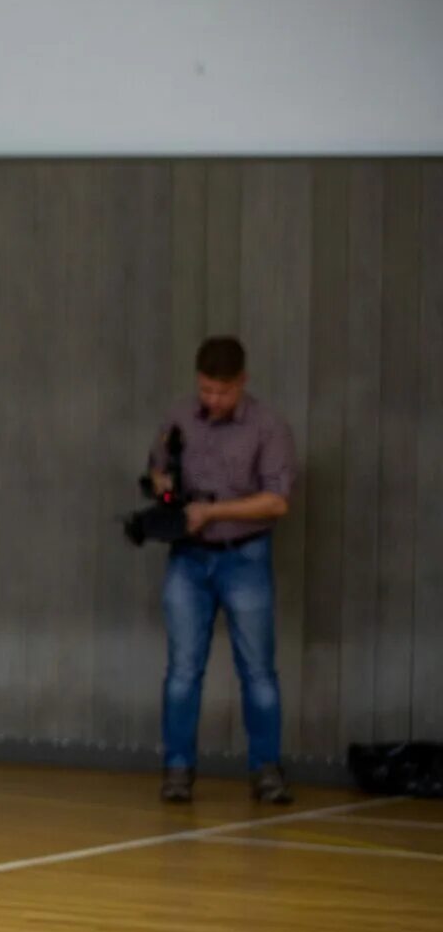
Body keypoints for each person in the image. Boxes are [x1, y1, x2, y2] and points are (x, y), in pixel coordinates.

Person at [150, 336, 296, 804]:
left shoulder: (268, 427)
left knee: (257, 671)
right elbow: (157, 469)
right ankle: (177, 770)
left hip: (245, 556)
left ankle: (266, 769)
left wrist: (212, 512)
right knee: (182, 670)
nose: (212, 400)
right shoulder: (179, 417)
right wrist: (164, 486)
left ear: (242, 383)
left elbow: (277, 500)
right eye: (206, 390)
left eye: (223, 392)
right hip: (188, 558)